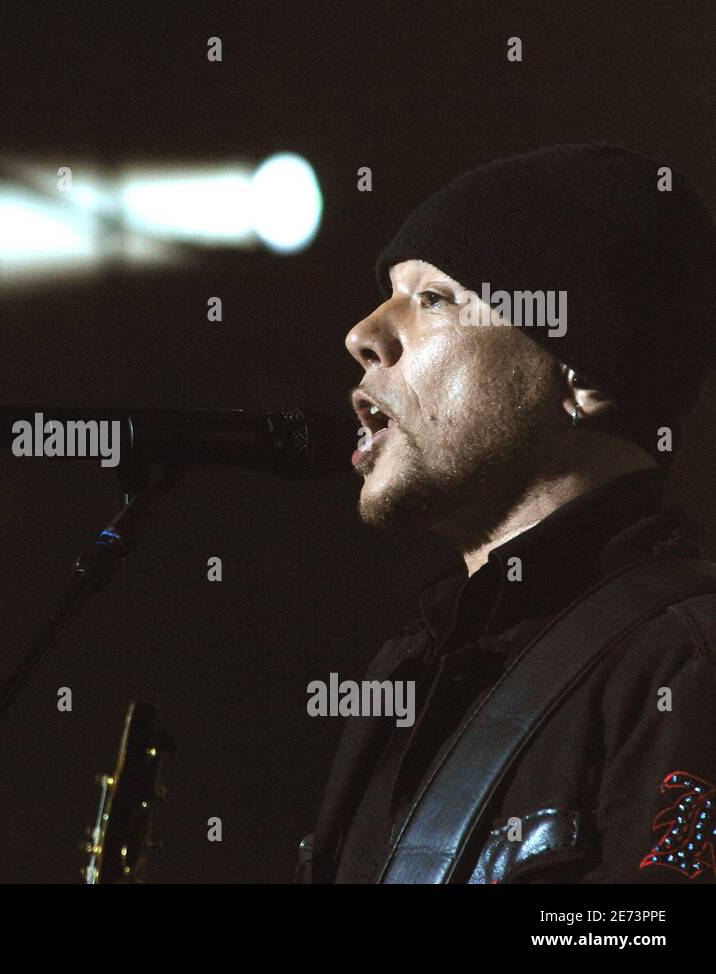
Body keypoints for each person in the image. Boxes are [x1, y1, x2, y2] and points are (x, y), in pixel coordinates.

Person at [304, 144, 716, 883]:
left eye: (434, 298)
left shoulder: (684, 661)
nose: (363, 333)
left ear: (583, 374)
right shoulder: (408, 667)